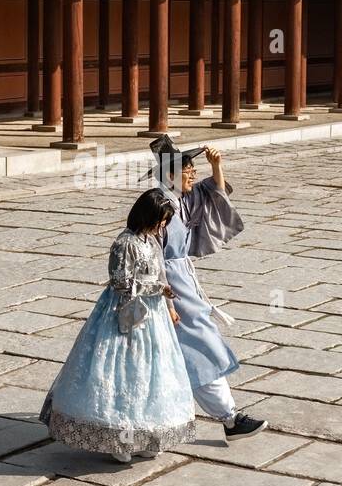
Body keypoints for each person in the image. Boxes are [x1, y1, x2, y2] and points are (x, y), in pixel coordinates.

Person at [40, 187, 197, 463]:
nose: (162, 226)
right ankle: (119, 438)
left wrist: (170, 306)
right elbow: (120, 282)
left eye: (164, 222)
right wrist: (158, 288)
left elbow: (162, 274)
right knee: (124, 372)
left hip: (155, 316)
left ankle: (149, 433)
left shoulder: (152, 241)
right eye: (159, 220)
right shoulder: (124, 243)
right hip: (124, 314)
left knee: (152, 373)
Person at [151, 136, 268, 440]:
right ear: (170, 175)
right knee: (198, 344)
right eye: (187, 170)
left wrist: (217, 166)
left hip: (180, 279)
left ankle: (218, 416)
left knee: (182, 349)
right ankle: (229, 418)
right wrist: (167, 298)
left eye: (193, 169)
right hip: (169, 284)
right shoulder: (161, 204)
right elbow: (150, 252)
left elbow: (211, 193)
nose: (193, 175)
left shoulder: (180, 198)